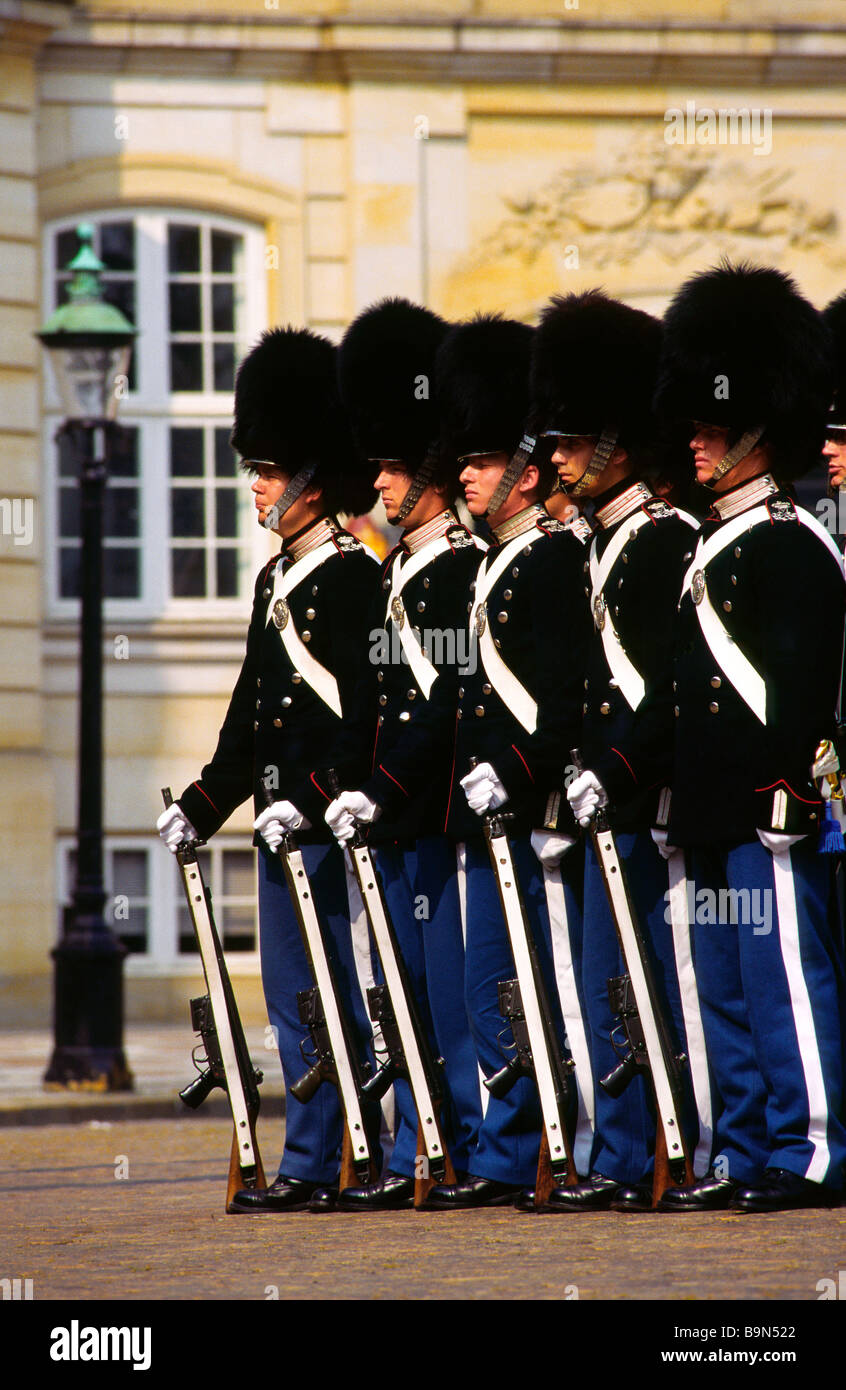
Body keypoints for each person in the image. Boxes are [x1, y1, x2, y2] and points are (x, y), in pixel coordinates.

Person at [343, 313, 595, 1209]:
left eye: (479, 462)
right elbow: (436, 695)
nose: (384, 484)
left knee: (515, 989)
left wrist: (516, 772)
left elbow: (557, 692)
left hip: (515, 809)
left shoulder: (538, 560)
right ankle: (481, 1143)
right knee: (464, 990)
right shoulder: (481, 567)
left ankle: (520, 1140)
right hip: (453, 810)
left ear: (521, 468)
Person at [156, 327, 382, 1213]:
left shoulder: (356, 580)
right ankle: (314, 1148)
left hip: (327, 826)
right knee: (292, 996)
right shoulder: (275, 583)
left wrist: (318, 801)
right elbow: (253, 713)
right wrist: (208, 804)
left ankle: (338, 1150)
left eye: (269, 470)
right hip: (281, 822)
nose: (255, 485)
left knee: (332, 990)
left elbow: (362, 717)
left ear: (311, 479)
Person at [653, 261, 846, 1212]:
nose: (694, 443)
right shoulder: (708, 543)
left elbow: (802, 690)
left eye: (712, 430)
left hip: (768, 804)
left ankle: (808, 1151)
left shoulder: (793, 543)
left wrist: (789, 787)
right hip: (707, 806)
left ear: (758, 434)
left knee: (783, 987)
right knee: (718, 990)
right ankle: (735, 1148)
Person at [295, 297, 489, 1211]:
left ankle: (448, 1141)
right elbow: (372, 701)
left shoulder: (455, 567)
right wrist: (340, 783)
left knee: (447, 999)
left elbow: (443, 699)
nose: (379, 486)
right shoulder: (397, 569)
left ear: (433, 474)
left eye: (395, 470)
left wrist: (382, 786)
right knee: (398, 994)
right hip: (393, 815)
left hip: (434, 812)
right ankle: (415, 1140)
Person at [530, 289, 712, 1211]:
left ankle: (660, 1144)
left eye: (570, 442)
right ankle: (619, 1147)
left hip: (651, 801)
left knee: (655, 989)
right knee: (604, 987)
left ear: (614, 442)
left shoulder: (667, 541)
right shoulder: (600, 544)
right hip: (604, 798)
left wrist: (617, 771)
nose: (555, 458)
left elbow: (673, 690)